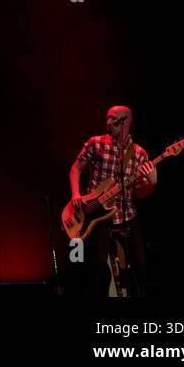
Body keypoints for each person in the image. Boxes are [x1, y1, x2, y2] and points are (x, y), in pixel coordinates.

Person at [69, 105, 156, 296]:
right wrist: (76, 194)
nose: (108, 122)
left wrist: (151, 183)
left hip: (127, 214)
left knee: (140, 265)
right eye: (107, 118)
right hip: (97, 214)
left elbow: (140, 194)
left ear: (125, 121)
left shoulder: (139, 154)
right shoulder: (96, 143)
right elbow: (76, 168)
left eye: (113, 118)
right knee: (98, 264)